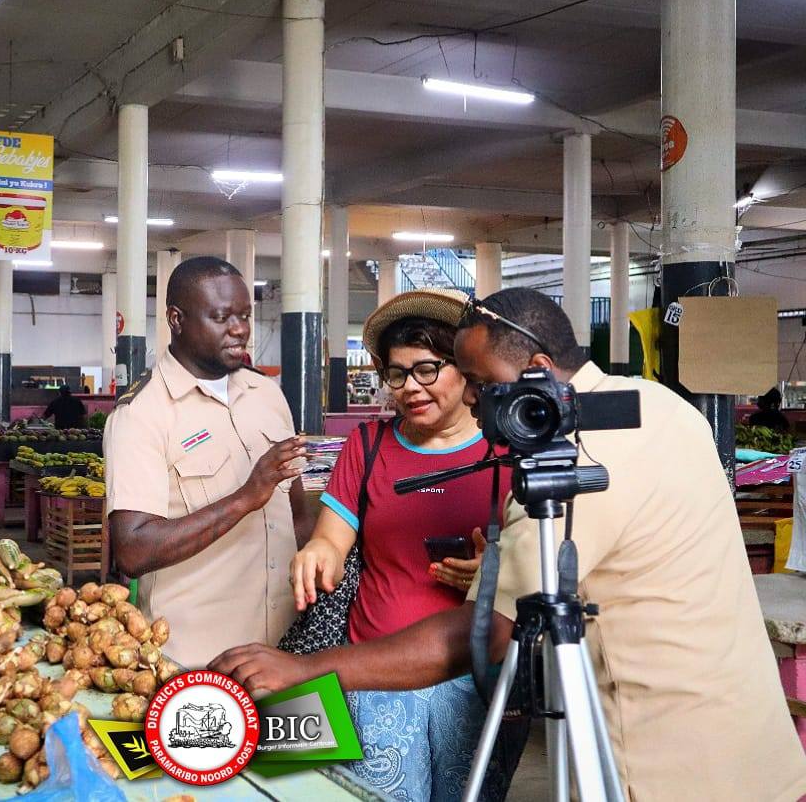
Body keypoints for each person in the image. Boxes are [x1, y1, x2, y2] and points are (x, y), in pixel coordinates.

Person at [211, 287, 806, 801]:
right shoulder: (659, 406)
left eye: (476, 381)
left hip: (659, 758)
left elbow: (484, 632)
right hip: (749, 736)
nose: (471, 398)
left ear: (541, 369)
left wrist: (305, 671)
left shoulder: (568, 463)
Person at [290, 289, 518, 800]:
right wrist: (318, 553)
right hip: (376, 672)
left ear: (466, 370)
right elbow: (332, 536)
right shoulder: (368, 445)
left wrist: (494, 567)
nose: (410, 388)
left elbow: (536, 555)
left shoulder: (507, 451)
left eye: (427, 369)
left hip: (477, 674)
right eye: (397, 374)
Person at [104, 256, 311, 669]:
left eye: (245, 315)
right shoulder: (142, 414)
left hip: (288, 650)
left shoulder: (267, 394)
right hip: (198, 659)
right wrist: (245, 497)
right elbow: (132, 549)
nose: (239, 329)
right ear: (176, 319)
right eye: (221, 317)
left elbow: (297, 512)